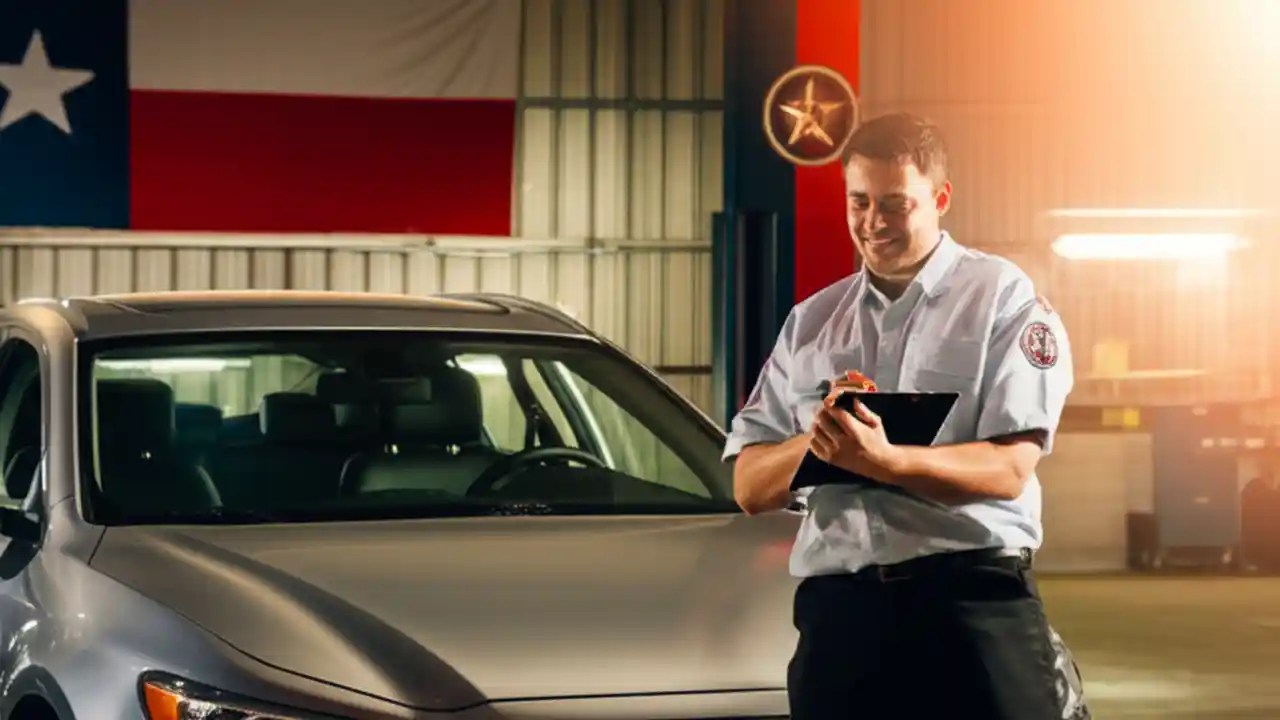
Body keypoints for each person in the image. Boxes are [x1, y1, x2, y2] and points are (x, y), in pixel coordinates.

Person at [723, 112, 1089, 719]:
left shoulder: (1002, 298)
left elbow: (1010, 468)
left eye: (896, 204)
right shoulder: (811, 323)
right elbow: (748, 486)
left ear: (940, 197)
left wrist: (887, 460)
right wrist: (821, 437)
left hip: (972, 606)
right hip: (842, 623)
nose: (873, 223)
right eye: (859, 201)